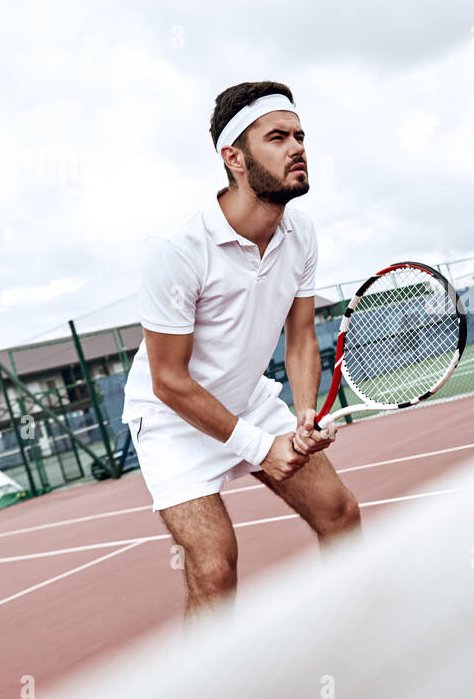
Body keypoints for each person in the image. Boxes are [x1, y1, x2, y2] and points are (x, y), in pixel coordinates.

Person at [121, 81, 361, 627]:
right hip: (171, 420)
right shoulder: (175, 251)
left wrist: (306, 414)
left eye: (300, 135)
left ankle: (356, 637)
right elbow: (168, 381)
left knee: (340, 513)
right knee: (214, 569)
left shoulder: (300, 232)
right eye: (277, 137)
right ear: (233, 158)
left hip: (247, 398)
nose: (297, 147)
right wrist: (258, 446)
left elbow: (300, 337)